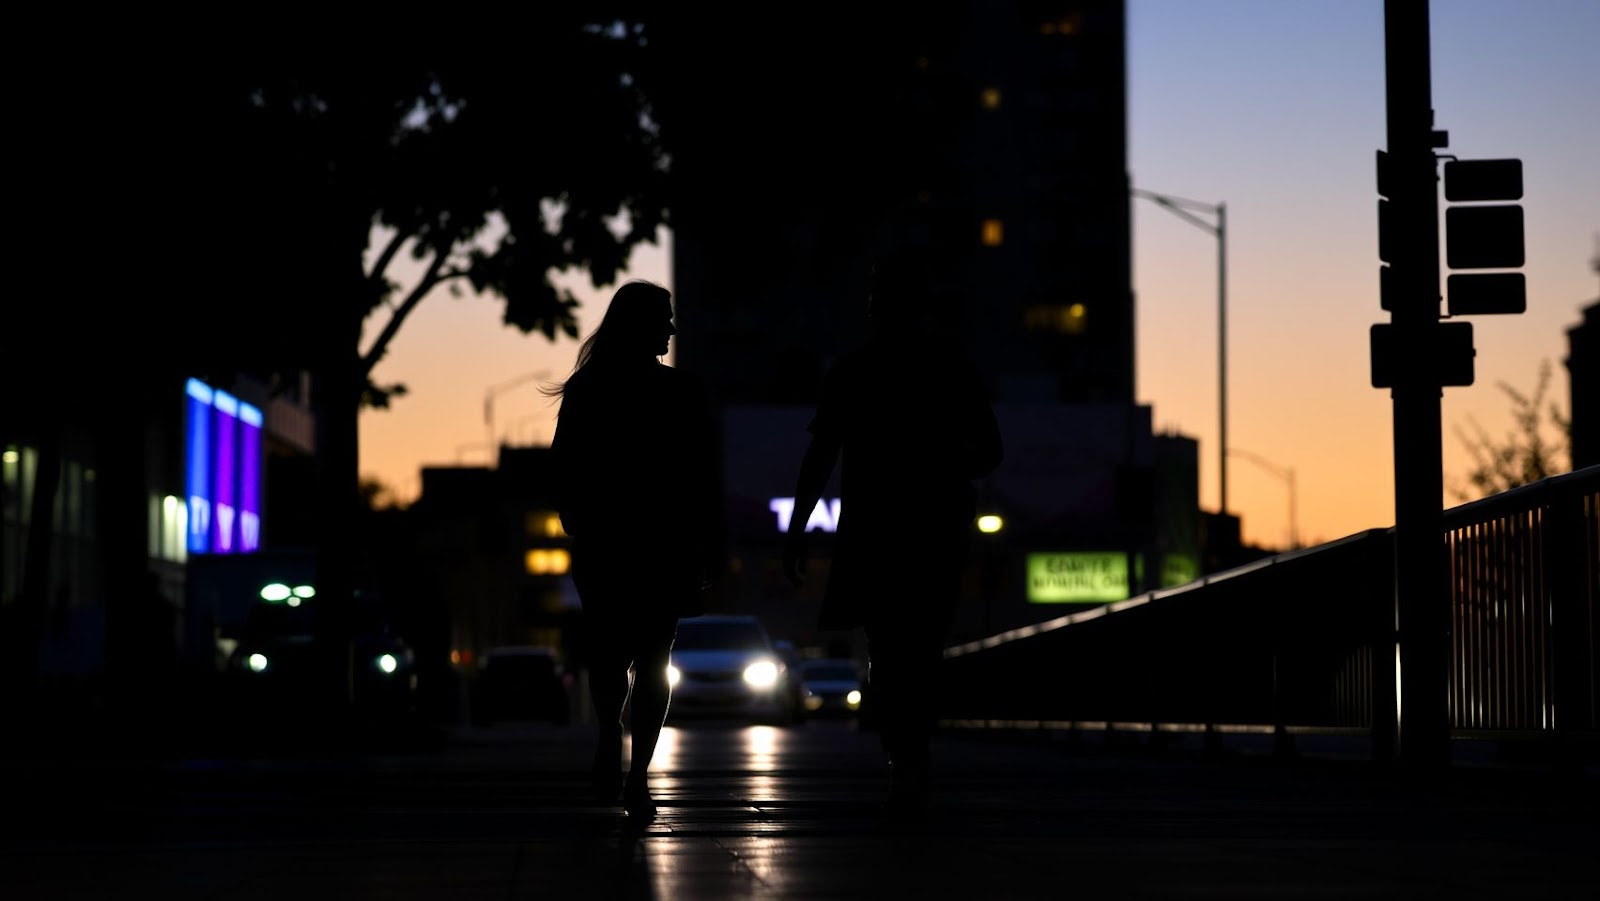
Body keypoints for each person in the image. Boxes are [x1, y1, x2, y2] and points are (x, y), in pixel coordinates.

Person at [781, 247, 1003, 816]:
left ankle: (905, 759)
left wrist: (798, 528)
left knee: (894, 648)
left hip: (884, 528)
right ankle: (910, 759)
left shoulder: (856, 371)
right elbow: (989, 452)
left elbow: (821, 453)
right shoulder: (948, 369)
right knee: (917, 647)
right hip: (928, 529)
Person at [546, 279, 723, 821]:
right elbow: (703, 476)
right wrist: (706, 540)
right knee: (650, 657)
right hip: (655, 542)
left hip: (612, 541)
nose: (671, 327)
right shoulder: (680, 392)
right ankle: (635, 772)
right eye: (663, 317)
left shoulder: (588, 390)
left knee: (616, 652)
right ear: (640, 324)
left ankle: (617, 748)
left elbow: (564, 463)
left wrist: (574, 515)